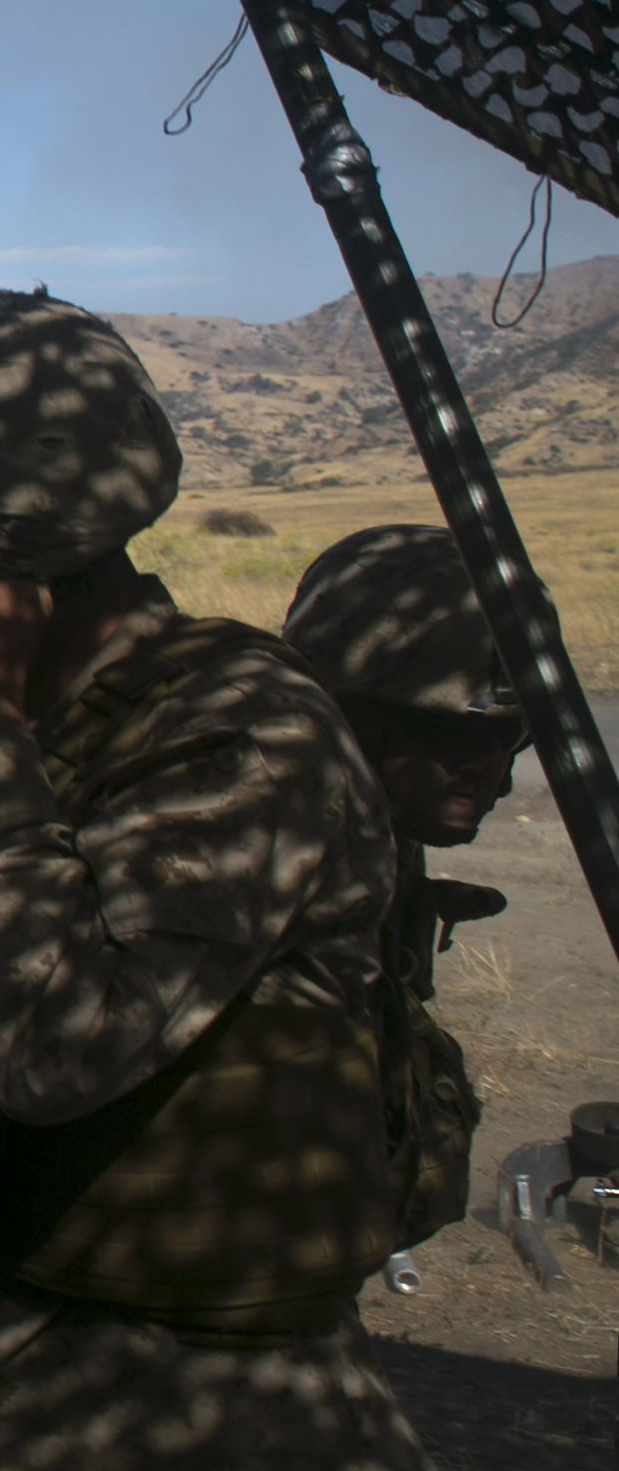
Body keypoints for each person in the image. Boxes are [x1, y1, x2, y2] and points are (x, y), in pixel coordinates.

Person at [0, 291, 428, 1471]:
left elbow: (61, 1034)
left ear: (2, 561)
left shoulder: (245, 735)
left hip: (175, 1402)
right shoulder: (27, 728)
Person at [280, 525, 523, 1252]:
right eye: (452, 734)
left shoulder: (376, 827)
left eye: (515, 736)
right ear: (349, 714)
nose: (494, 770)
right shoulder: (275, 861)